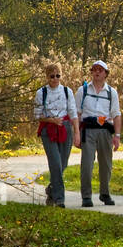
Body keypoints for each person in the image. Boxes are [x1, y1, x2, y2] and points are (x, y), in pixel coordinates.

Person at [76, 59, 122, 207]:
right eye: (94, 69)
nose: (96, 72)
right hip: (88, 130)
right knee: (87, 165)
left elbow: (116, 115)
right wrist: (76, 134)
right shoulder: (82, 90)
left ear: (106, 74)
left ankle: (105, 194)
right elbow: (76, 114)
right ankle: (86, 197)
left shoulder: (111, 93)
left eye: (100, 70)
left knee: (106, 165)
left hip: (105, 131)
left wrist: (117, 136)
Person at [34, 63, 79, 207]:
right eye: (52, 76)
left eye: (57, 75)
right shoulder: (41, 93)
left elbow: (73, 113)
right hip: (49, 130)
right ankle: (60, 200)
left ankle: (52, 189)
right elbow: (37, 115)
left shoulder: (67, 91)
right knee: (55, 163)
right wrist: (51, 120)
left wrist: (77, 132)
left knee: (63, 163)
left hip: (65, 128)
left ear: (61, 75)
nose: (55, 79)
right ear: (47, 77)